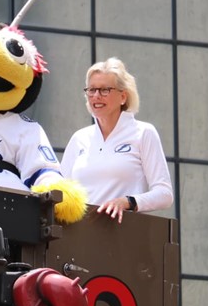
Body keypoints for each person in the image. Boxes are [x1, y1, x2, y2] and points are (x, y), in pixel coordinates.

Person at [61, 57, 174, 223]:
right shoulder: (79, 138)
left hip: (123, 232)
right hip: (78, 232)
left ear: (123, 97)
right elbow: (61, 192)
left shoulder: (144, 133)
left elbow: (165, 194)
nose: (96, 96)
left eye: (104, 90)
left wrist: (128, 202)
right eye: (91, 90)